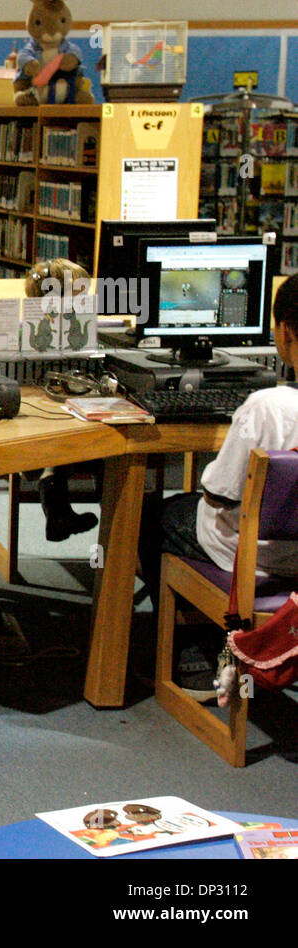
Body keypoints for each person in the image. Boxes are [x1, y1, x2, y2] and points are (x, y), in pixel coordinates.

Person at [138, 274, 298, 698]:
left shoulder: (270, 406)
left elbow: (218, 493)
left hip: (253, 559)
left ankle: (188, 651)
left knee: (155, 517)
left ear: (283, 332)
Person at [26, 258, 99, 541]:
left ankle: (58, 511)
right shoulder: (40, 332)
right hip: (46, 425)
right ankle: (124, 529)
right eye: (80, 296)